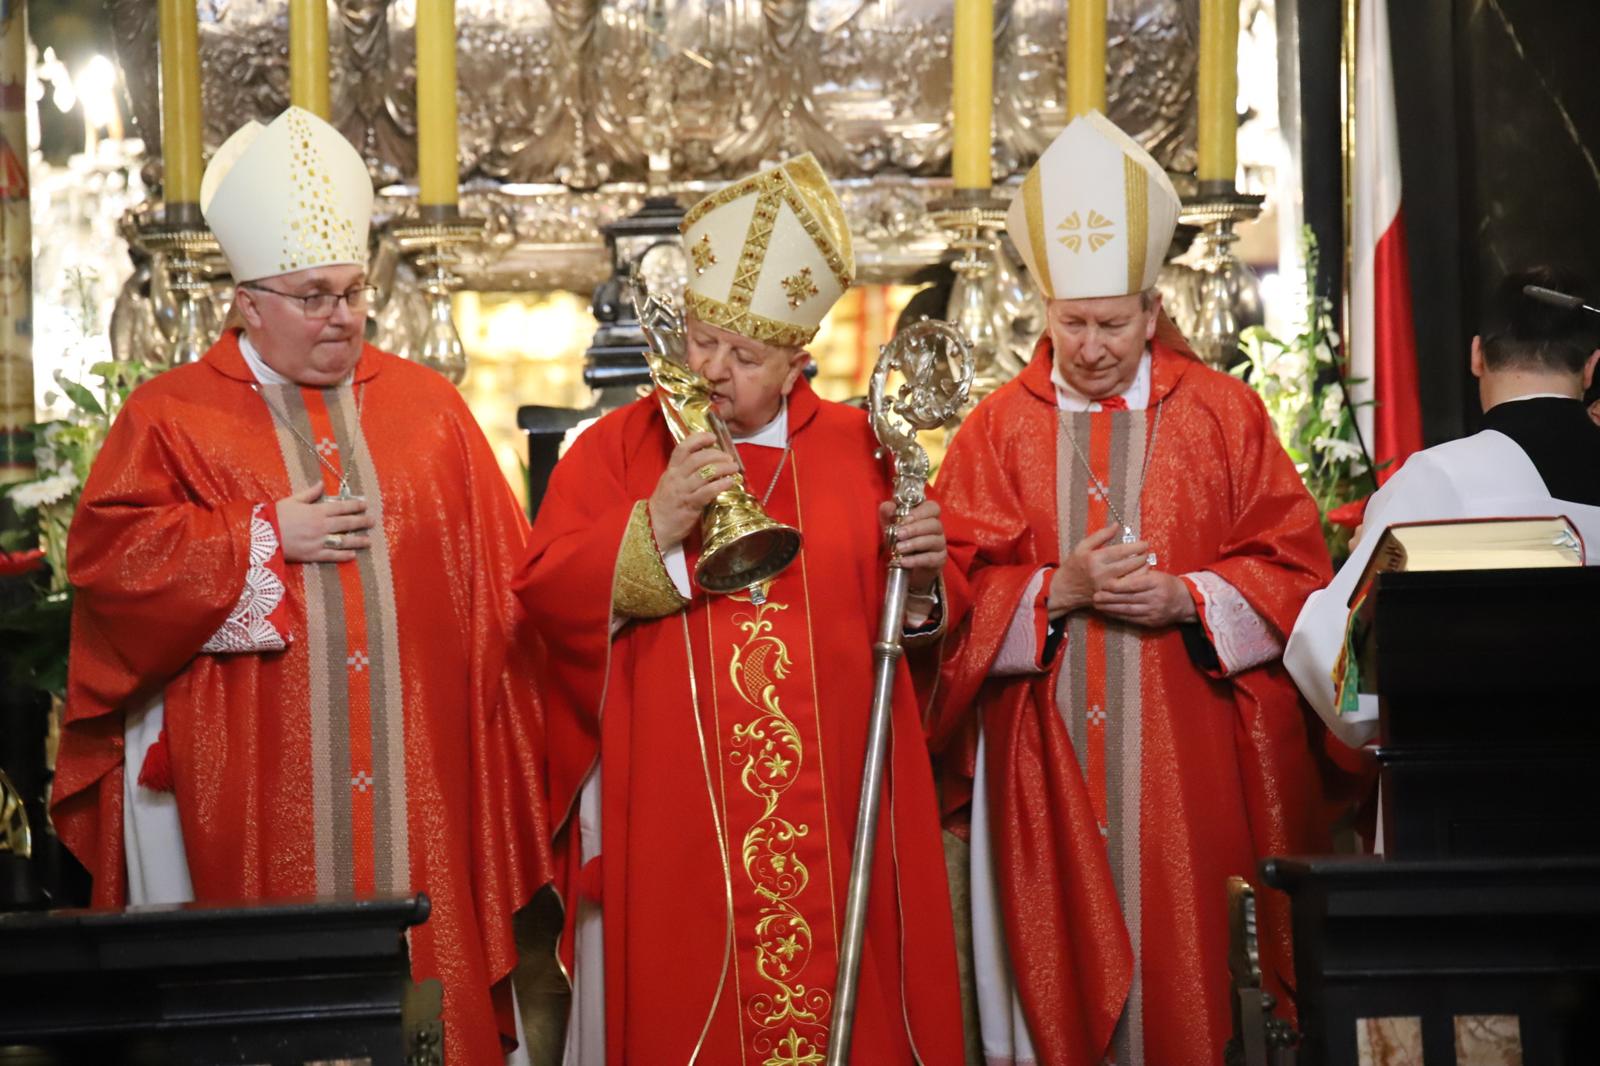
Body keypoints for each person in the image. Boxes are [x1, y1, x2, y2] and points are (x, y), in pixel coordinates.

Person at [51, 107, 551, 1065]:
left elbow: (510, 596)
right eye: (315, 296)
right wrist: (262, 536)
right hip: (250, 786)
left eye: (354, 292)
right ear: (247, 303)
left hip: (423, 791)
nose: (343, 317)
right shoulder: (171, 418)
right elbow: (111, 567)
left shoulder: (432, 414)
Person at [516, 154, 968, 1065]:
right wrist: (655, 526)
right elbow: (543, 605)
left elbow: (924, 635)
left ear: (799, 363)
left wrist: (922, 577)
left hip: (837, 811)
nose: (713, 370)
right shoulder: (614, 451)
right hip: (675, 824)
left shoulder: (864, 452)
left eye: (746, 356)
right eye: (701, 340)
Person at [931, 111, 1339, 1066]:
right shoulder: (996, 431)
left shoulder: (1223, 416)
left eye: (1112, 324)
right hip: (1043, 770)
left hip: (1190, 768)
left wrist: (1190, 599)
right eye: (1071, 323)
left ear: (1153, 311)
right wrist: (1054, 591)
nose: (1091, 347)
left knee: (1190, 982)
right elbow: (950, 602)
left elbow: (1299, 574)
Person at [1286, 267, 1600, 748]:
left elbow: (1344, 685)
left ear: (1476, 355)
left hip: (1481, 779)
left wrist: (1364, 560)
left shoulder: (1441, 480)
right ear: (1592, 367)